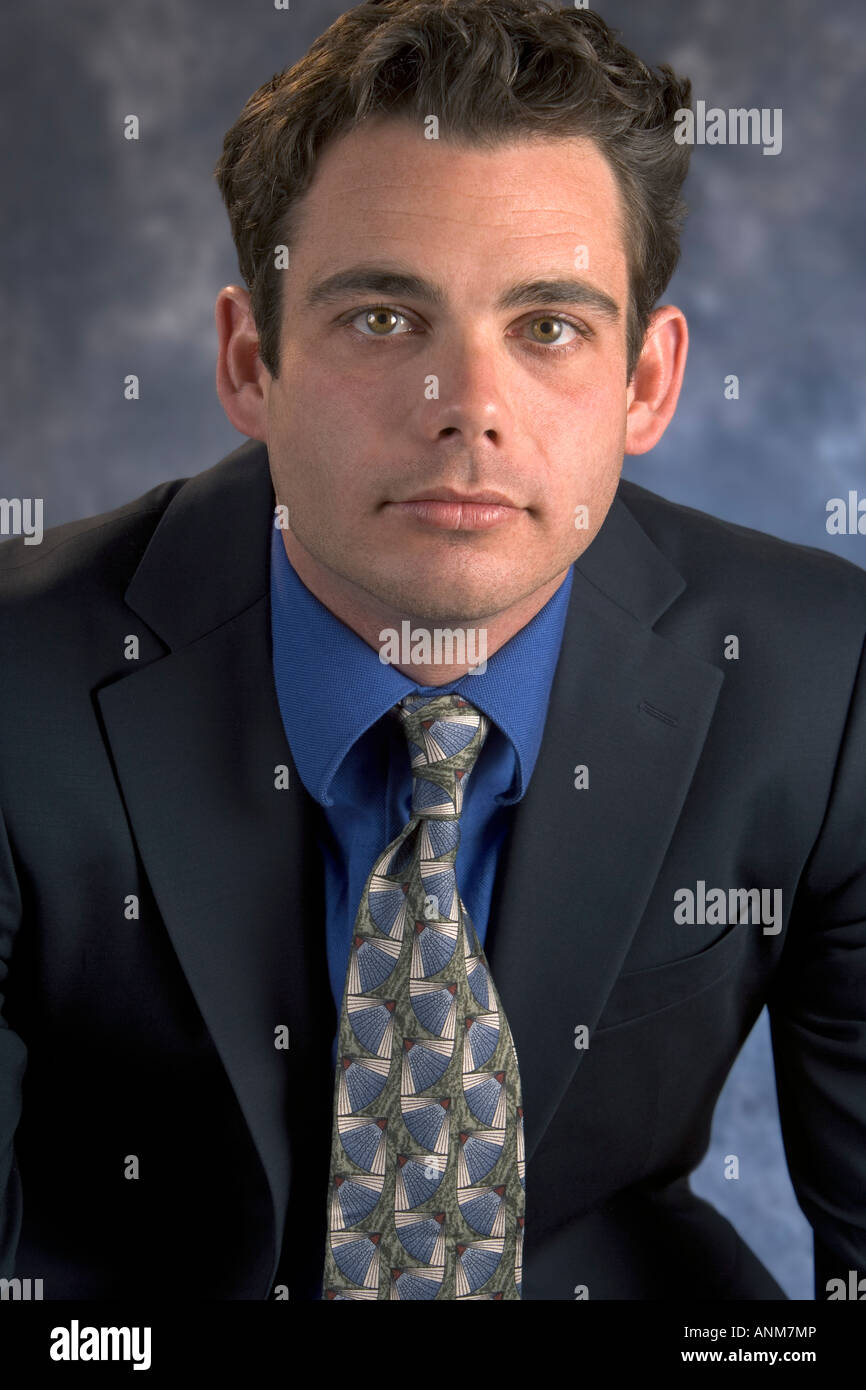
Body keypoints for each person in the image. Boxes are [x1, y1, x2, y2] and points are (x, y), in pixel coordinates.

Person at [1, 0, 864, 1301]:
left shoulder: (824, 679)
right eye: (383, 320)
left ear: (646, 381)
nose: (467, 408)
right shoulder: (18, 683)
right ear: (250, 360)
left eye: (548, 327)